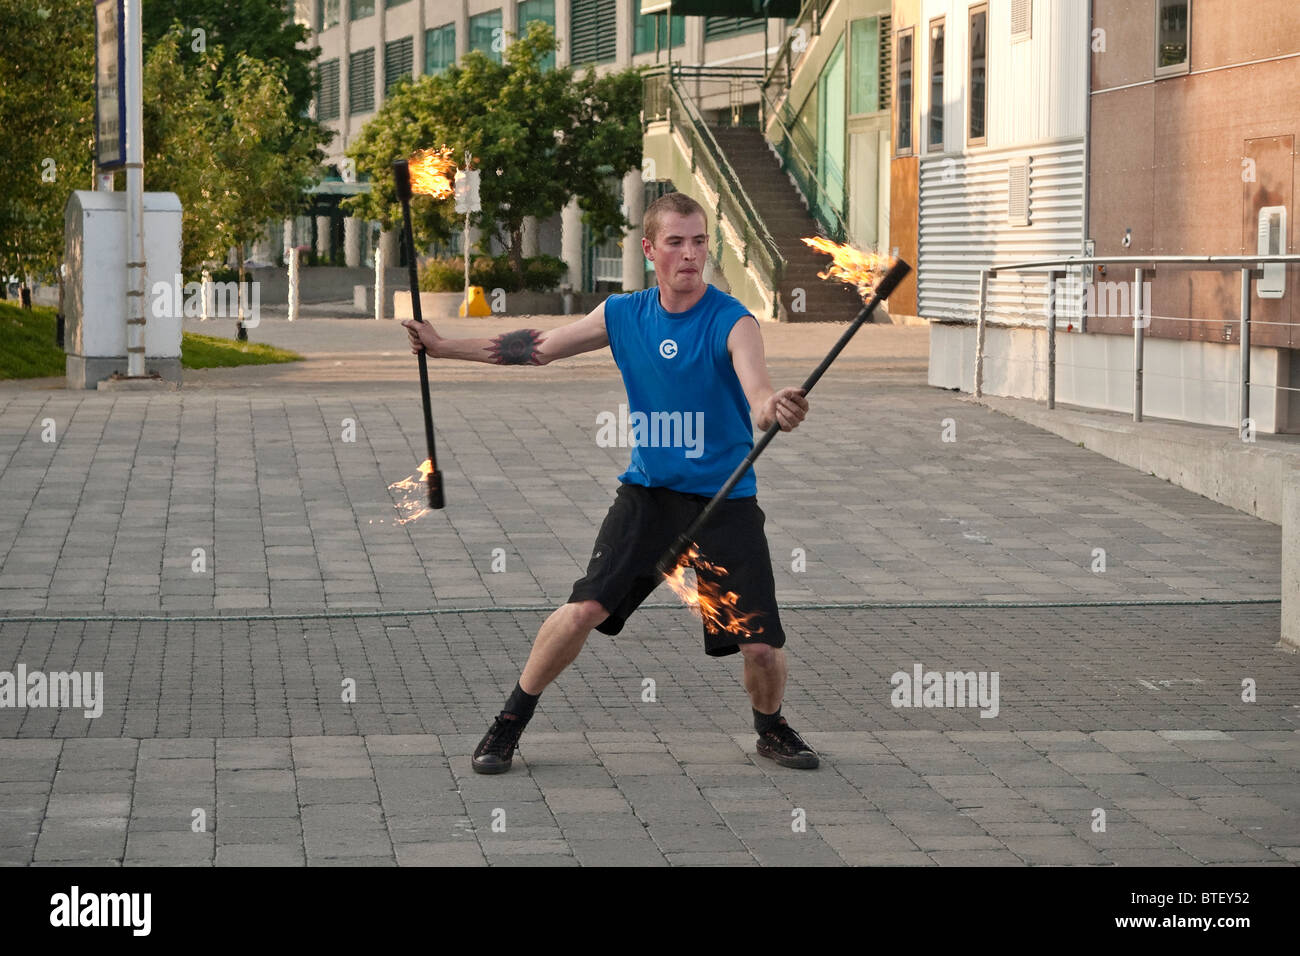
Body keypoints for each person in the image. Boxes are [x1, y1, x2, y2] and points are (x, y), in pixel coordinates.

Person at [403, 191, 818, 774]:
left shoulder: (733, 321)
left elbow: (757, 396)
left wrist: (775, 408)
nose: (690, 255)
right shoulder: (623, 314)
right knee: (582, 609)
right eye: (675, 243)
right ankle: (507, 724)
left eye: (699, 242)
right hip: (649, 497)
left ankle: (770, 729)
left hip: (725, 501)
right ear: (650, 250)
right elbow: (535, 348)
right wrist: (445, 348)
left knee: (760, 645)